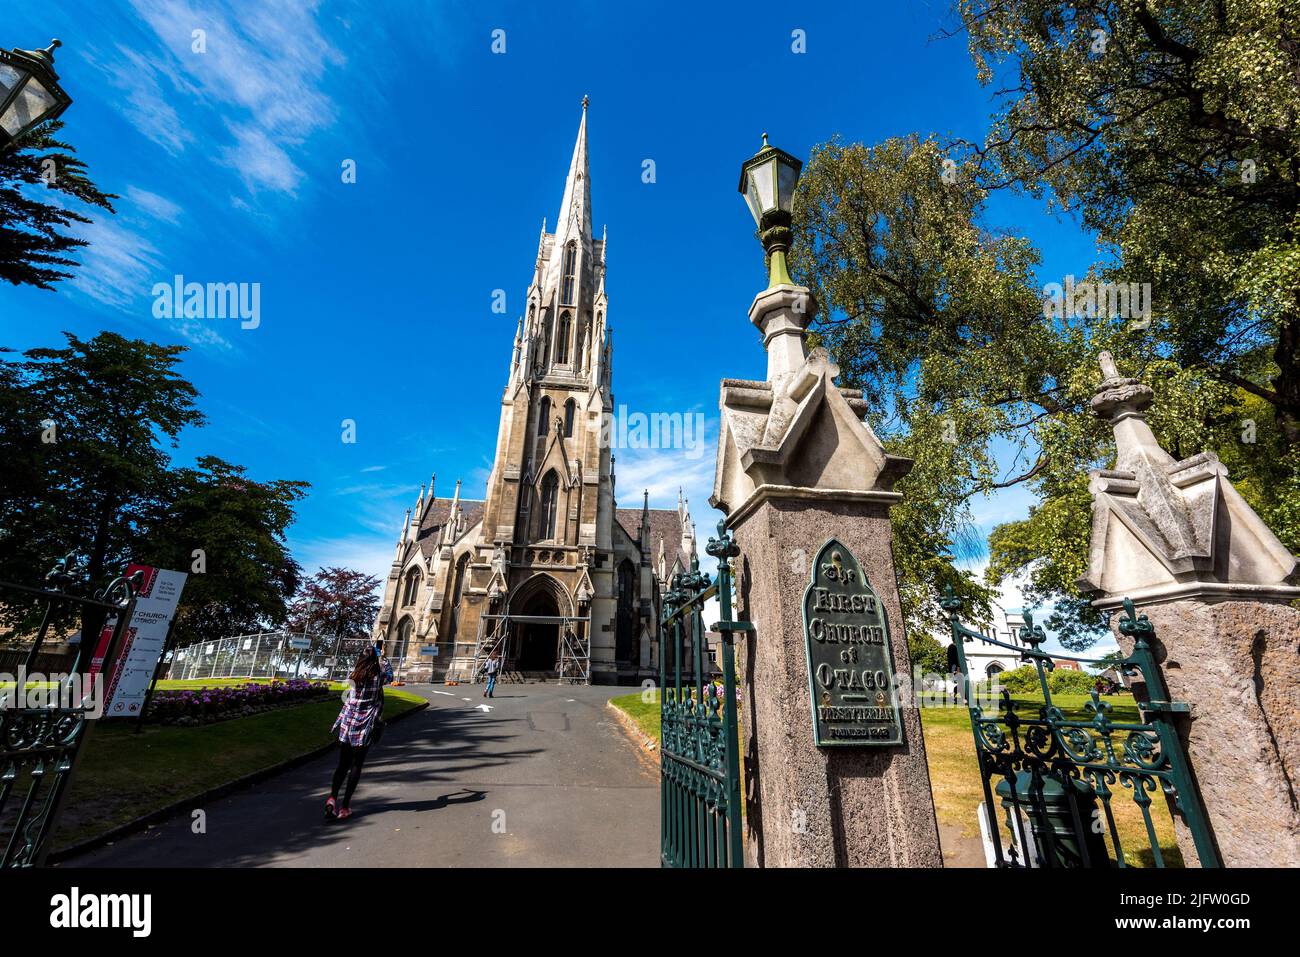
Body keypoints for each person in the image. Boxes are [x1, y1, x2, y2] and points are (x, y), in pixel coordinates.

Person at [325, 646, 389, 821]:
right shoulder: (378, 677)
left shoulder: (353, 676)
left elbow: (348, 696)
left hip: (348, 722)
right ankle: (345, 807)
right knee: (356, 765)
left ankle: (332, 798)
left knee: (342, 765)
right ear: (374, 661)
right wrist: (383, 657)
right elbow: (388, 674)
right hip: (364, 724)